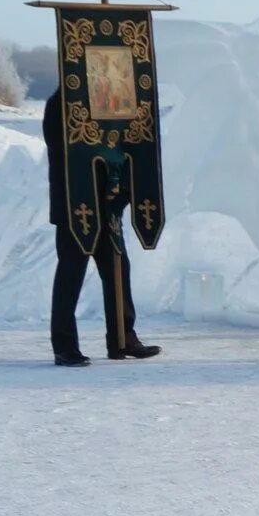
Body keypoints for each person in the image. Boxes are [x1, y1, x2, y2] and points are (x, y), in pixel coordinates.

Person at [43, 96, 158, 365]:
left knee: (118, 268)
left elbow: (122, 143)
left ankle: (122, 337)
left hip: (107, 204)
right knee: (71, 273)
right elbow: (70, 152)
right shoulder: (61, 103)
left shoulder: (104, 101)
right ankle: (64, 345)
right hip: (76, 205)